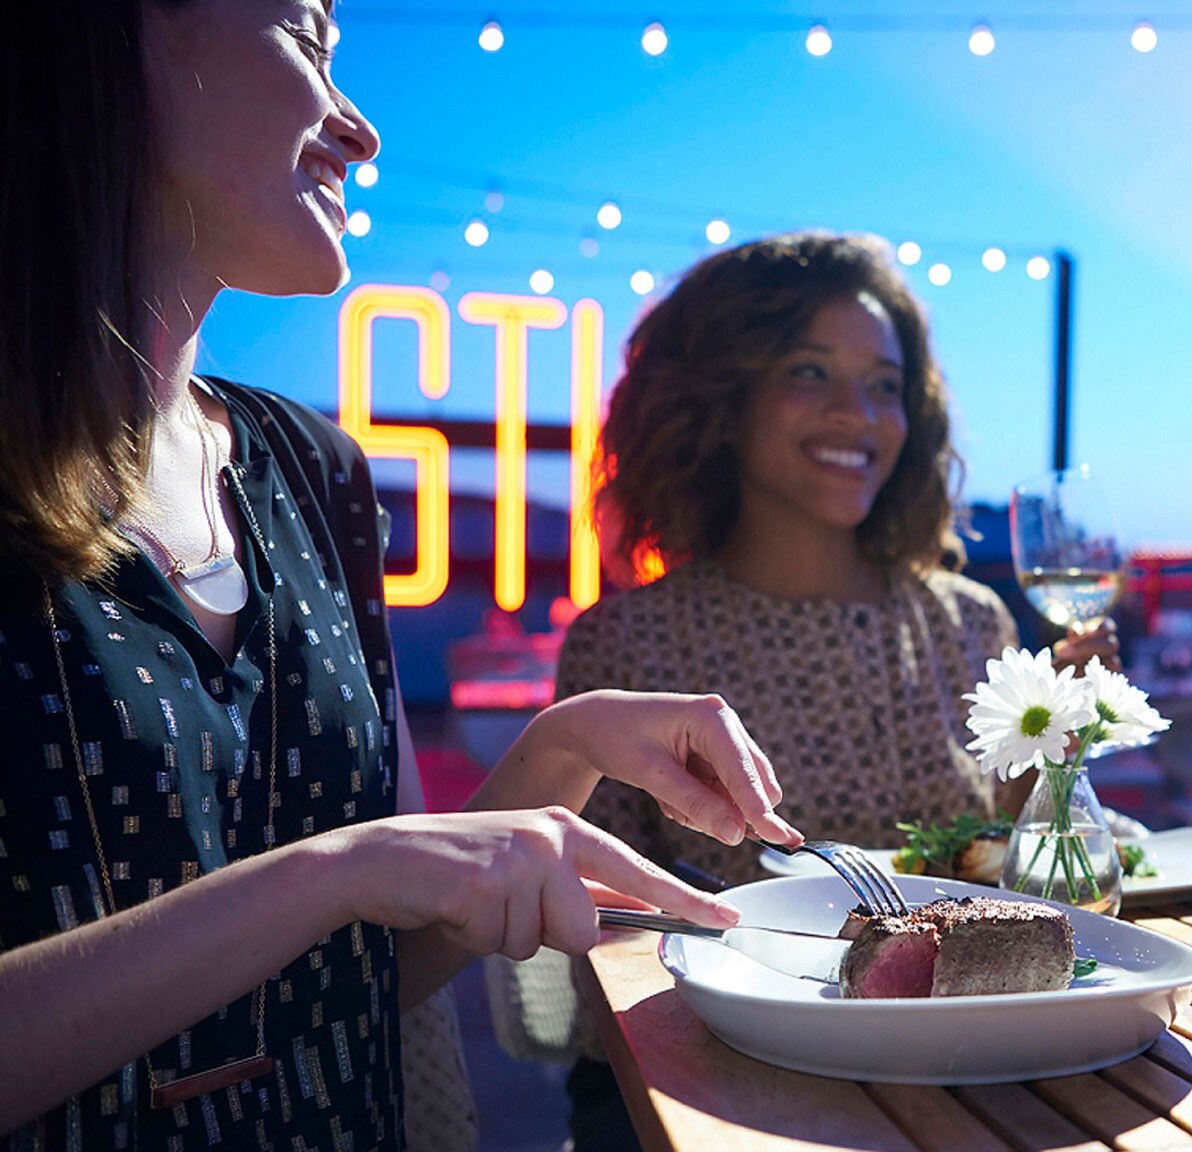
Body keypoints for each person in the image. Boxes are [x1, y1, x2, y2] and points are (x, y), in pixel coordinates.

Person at [0, 2, 800, 1143]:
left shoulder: (311, 471)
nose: (358, 128)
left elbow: (357, 987)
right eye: (304, 42)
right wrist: (328, 872)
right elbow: (335, 884)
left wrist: (560, 749)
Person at [563, 231, 1117, 891]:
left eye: (884, 385)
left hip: (976, 994)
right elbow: (595, 918)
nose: (856, 414)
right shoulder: (624, 648)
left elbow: (1012, 872)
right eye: (809, 371)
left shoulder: (970, 622)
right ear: (721, 397)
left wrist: (1055, 751)